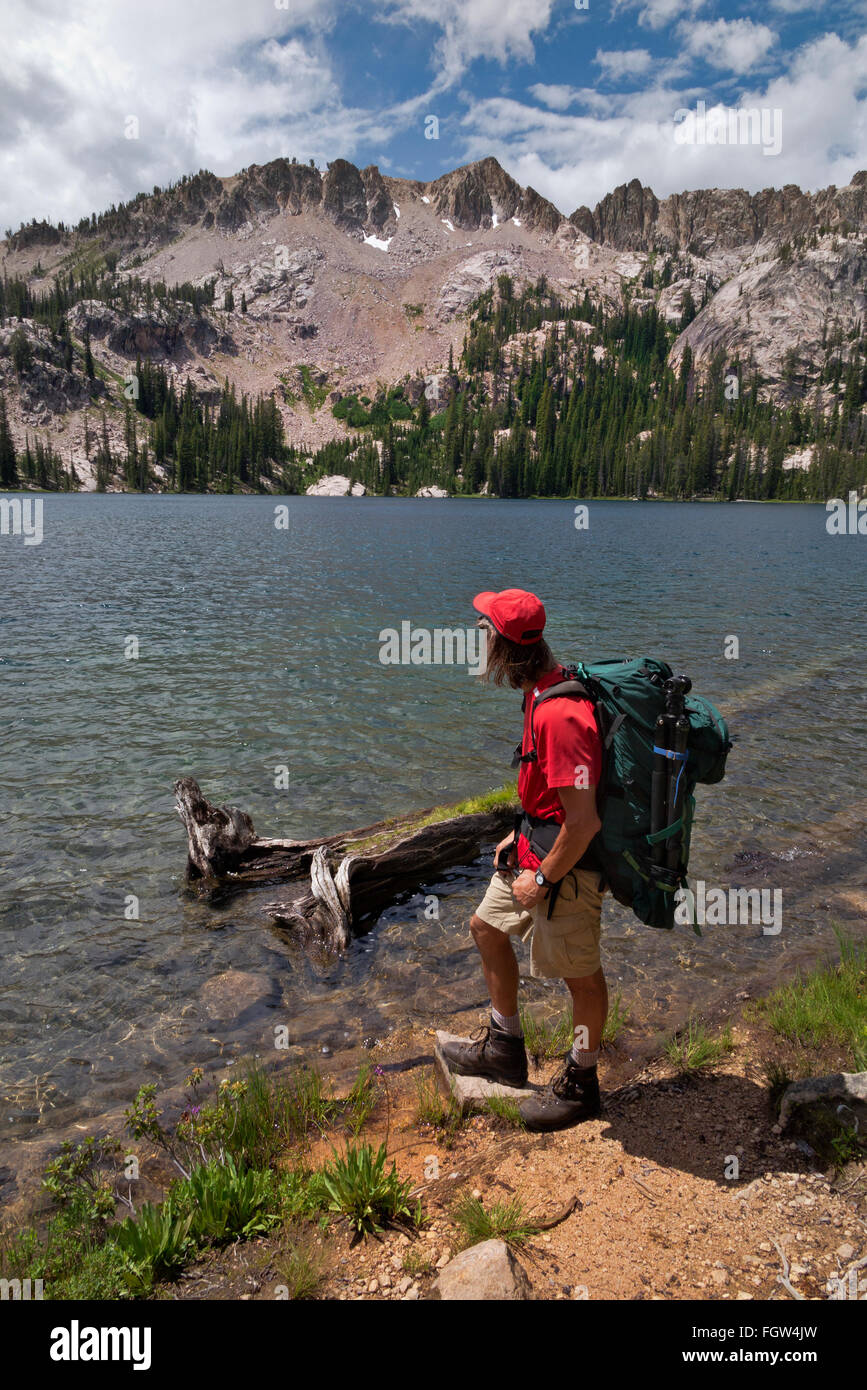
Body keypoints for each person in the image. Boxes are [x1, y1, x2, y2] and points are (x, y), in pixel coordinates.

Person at [440, 588, 607, 1132]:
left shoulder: (561, 715)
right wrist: (519, 833)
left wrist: (542, 877)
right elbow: (544, 788)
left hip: (567, 865)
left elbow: (583, 822)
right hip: (535, 848)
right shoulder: (538, 692)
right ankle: (505, 1048)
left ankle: (582, 1084)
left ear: (506, 644)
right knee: (486, 927)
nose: (482, 639)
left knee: (580, 978)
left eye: (487, 631)